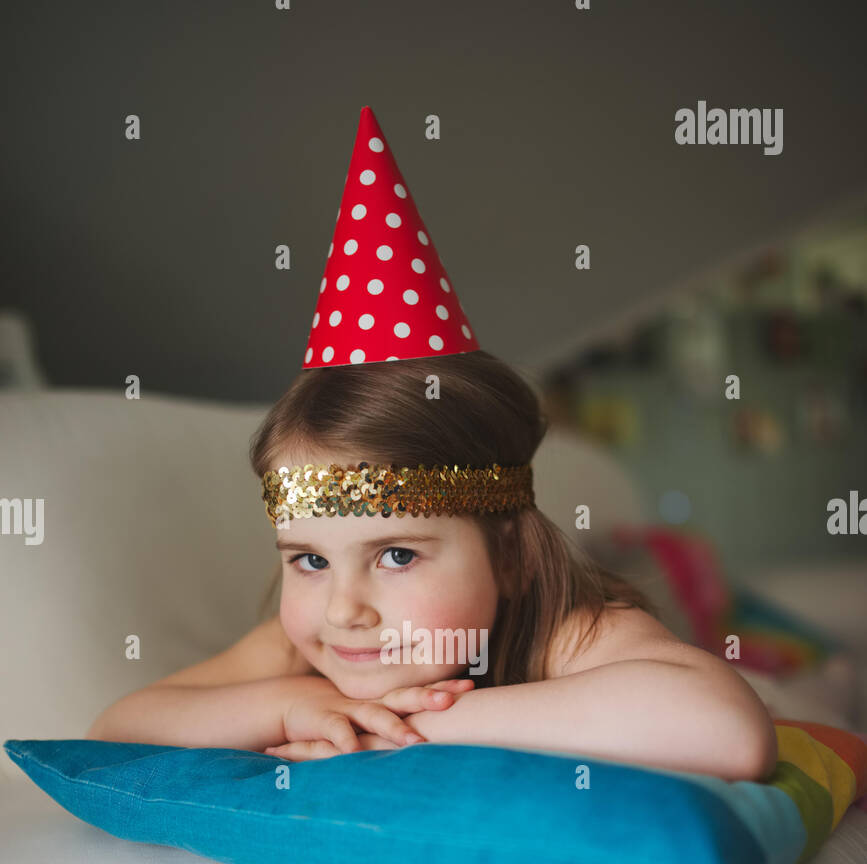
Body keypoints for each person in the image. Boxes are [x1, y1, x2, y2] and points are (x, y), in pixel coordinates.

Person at [87, 108, 777, 782]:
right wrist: (291, 704)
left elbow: (727, 732)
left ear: (506, 554)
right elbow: (116, 729)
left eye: (395, 554)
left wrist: (402, 730)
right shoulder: (307, 651)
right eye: (308, 559)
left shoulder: (567, 631)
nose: (342, 609)